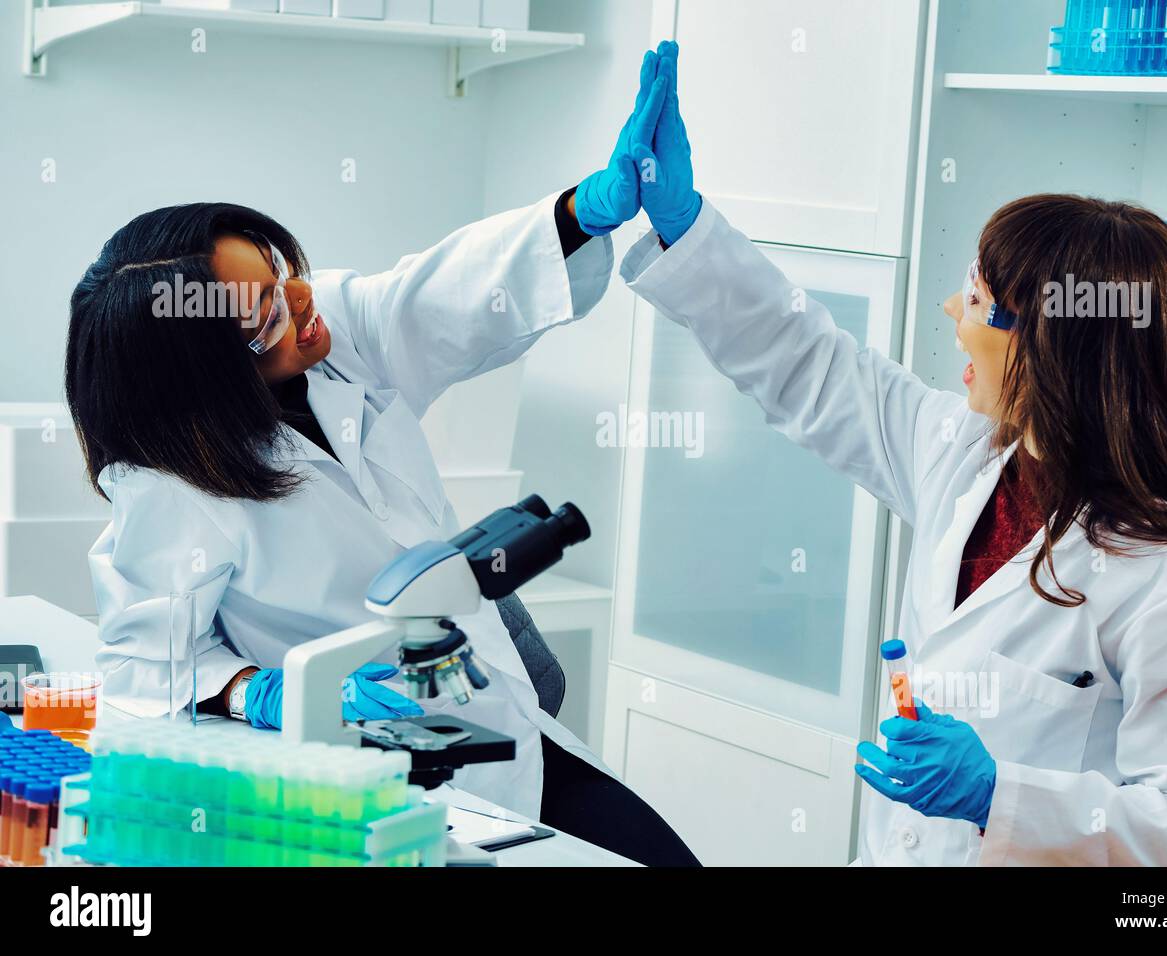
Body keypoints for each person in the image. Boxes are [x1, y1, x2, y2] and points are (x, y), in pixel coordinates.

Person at [619, 41, 1167, 865]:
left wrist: (1002, 796)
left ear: (1052, 347)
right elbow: (809, 362)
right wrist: (687, 230)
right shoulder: (962, 455)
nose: (949, 312)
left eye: (975, 300)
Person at [66, 48, 699, 867]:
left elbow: (443, 292)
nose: (301, 301)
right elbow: (144, 664)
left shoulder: (335, 338)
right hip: (357, 770)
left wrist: (584, 212)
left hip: (480, 707)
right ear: (206, 377)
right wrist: (256, 690)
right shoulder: (169, 488)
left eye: (283, 272)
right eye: (264, 313)